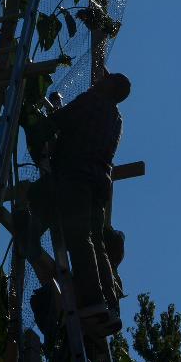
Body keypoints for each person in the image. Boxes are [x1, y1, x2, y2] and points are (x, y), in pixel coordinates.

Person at [41, 72, 130, 335]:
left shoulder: (92, 101)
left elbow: (60, 121)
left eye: (105, 79)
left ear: (110, 86)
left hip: (77, 176)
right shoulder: (116, 116)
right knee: (95, 242)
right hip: (99, 182)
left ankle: (93, 300)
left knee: (79, 238)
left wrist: (39, 118)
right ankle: (109, 305)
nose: (98, 81)